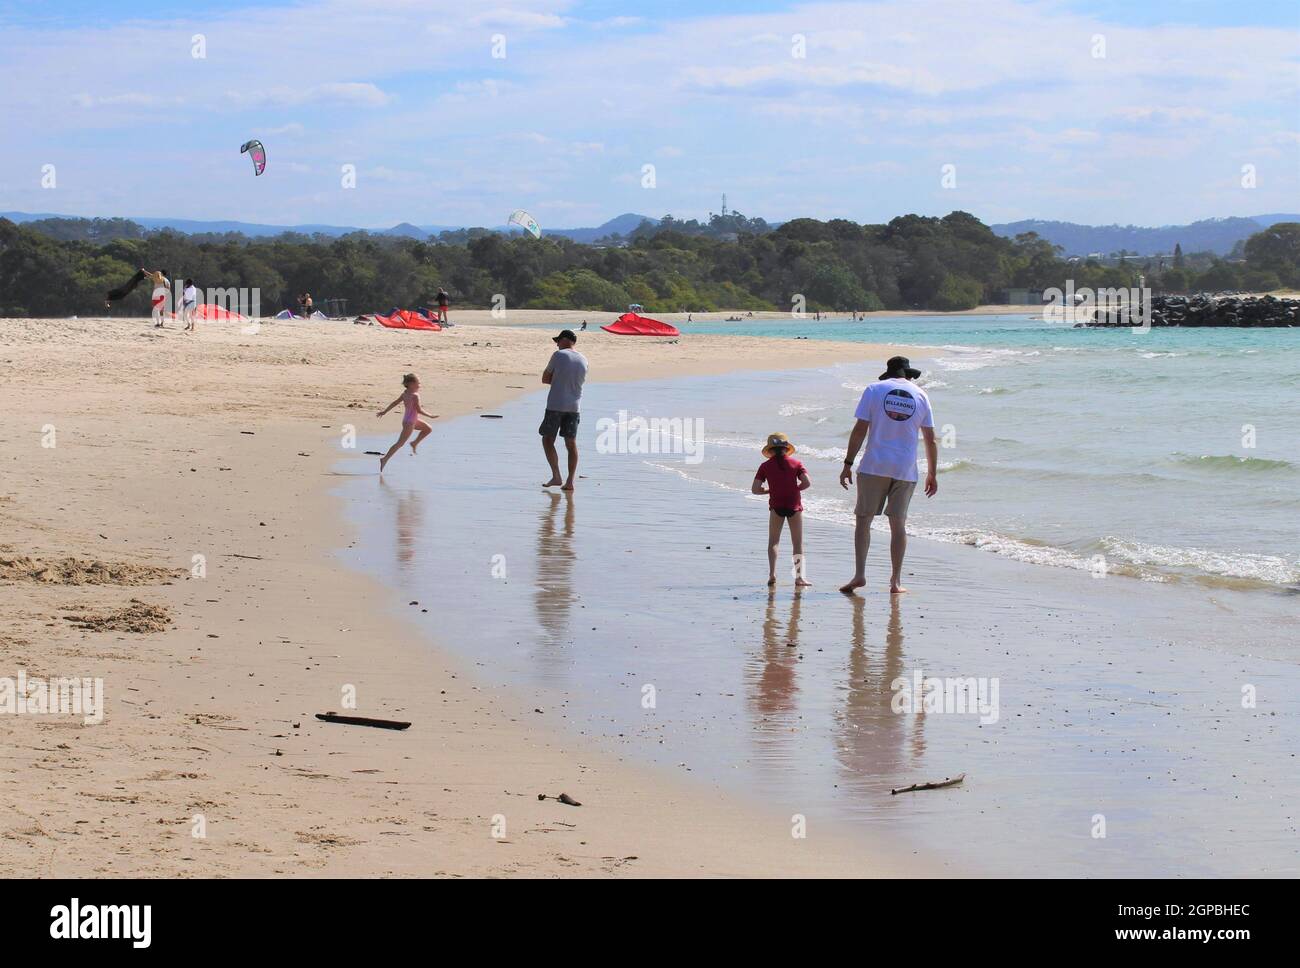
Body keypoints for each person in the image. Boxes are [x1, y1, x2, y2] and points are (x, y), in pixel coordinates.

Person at [839, 356, 938, 595]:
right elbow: (930, 438)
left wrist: (848, 463)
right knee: (898, 525)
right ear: (909, 375)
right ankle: (895, 581)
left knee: (864, 520)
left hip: (875, 465)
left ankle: (860, 574)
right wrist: (932, 473)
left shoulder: (874, 390)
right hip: (905, 469)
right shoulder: (921, 395)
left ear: (889, 373)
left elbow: (860, 429)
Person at [753, 433, 812, 587]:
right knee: (797, 543)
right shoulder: (796, 463)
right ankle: (799, 578)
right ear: (786, 448)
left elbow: (755, 489)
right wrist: (794, 488)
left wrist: (770, 490)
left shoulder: (765, 466)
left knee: (773, 541)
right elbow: (807, 483)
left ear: (770, 450)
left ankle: (772, 574)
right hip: (794, 506)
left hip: (776, 506)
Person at [540, 329, 588, 490]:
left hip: (556, 405)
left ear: (563, 340)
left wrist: (558, 379)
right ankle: (570, 481)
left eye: (557, 341)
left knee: (547, 440)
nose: (556, 344)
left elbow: (545, 379)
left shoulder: (558, 355)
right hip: (575, 407)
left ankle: (556, 476)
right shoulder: (584, 359)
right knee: (571, 443)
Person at [376, 373, 438, 472]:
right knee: (400, 443)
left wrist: (385, 411)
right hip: (410, 423)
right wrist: (430, 415)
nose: (420, 385)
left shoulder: (405, 393)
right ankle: (385, 459)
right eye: (418, 383)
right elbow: (419, 410)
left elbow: (395, 403)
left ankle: (414, 443)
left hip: (409, 420)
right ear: (411, 384)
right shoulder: (415, 396)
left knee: (428, 429)